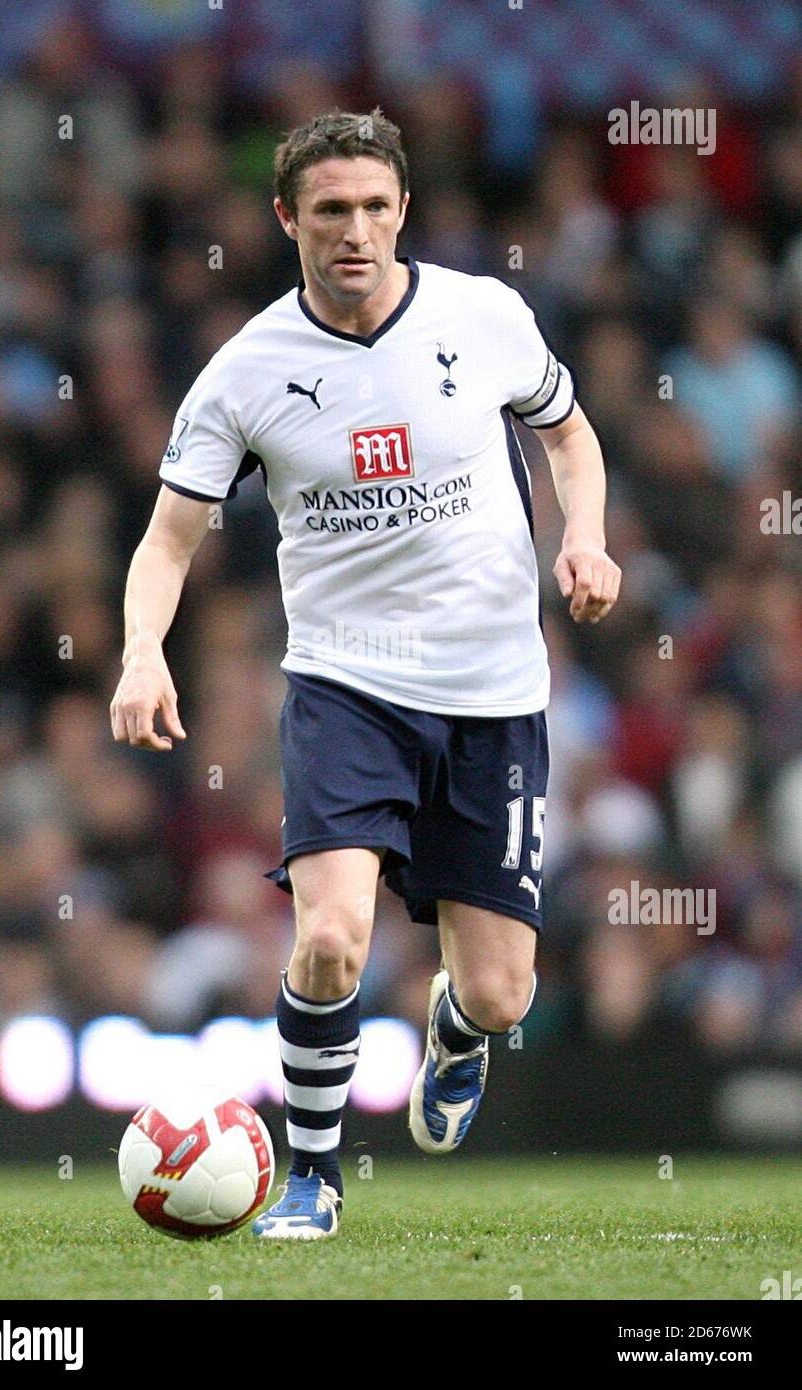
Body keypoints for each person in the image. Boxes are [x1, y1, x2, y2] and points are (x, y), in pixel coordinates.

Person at [110, 108, 621, 1240]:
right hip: (349, 688)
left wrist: (585, 535)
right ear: (287, 216)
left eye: (376, 207)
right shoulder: (245, 373)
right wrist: (143, 650)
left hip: (496, 693)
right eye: (331, 210)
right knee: (332, 937)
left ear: (404, 211)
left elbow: (571, 433)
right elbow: (167, 540)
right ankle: (314, 1178)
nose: (356, 231)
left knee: (501, 993)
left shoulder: (483, 317)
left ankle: (454, 1027)